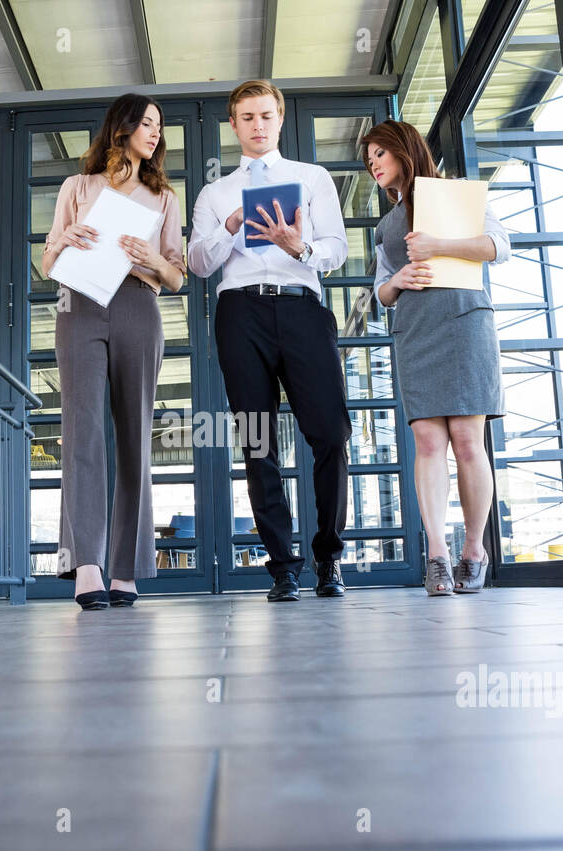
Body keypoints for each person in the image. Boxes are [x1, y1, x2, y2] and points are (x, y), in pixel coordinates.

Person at [188, 79, 351, 602]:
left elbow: (338, 250)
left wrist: (297, 246)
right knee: (257, 441)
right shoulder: (215, 194)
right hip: (241, 311)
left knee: (330, 433)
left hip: (302, 304)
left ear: (279, 120)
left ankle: (328, 557)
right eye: (247, 118)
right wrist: (232, 225)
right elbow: (198, 263)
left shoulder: (312, 177)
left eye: (266, 116)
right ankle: (283, 567)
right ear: (232, 125)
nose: (257, 126)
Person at [42, 93, 186, 610]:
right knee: (82, 431)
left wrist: (152, 258)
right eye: (147, 123)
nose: (156, 133)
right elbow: (46, 262)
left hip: (138, 304)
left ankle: (126, 568)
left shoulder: (164, 196)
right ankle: (86, 564)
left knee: (134, 437)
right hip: (78, 303)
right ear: (121, 128)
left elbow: (176, 275)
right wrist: (66, 240)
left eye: (159, 126)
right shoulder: (77, 187)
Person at [362, 120, 510, 596]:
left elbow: (499, 247)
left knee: (468, 441)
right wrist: (396, 281)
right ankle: (436, 554)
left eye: (379, 155)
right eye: (369, 161)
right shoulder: (386, 225)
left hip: (465, 322)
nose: (373, 165)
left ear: (405, 151)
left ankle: (473, 549)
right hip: (417, 329)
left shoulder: (457, 197)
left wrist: (438, 245)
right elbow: (381, 291)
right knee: (428, 442)